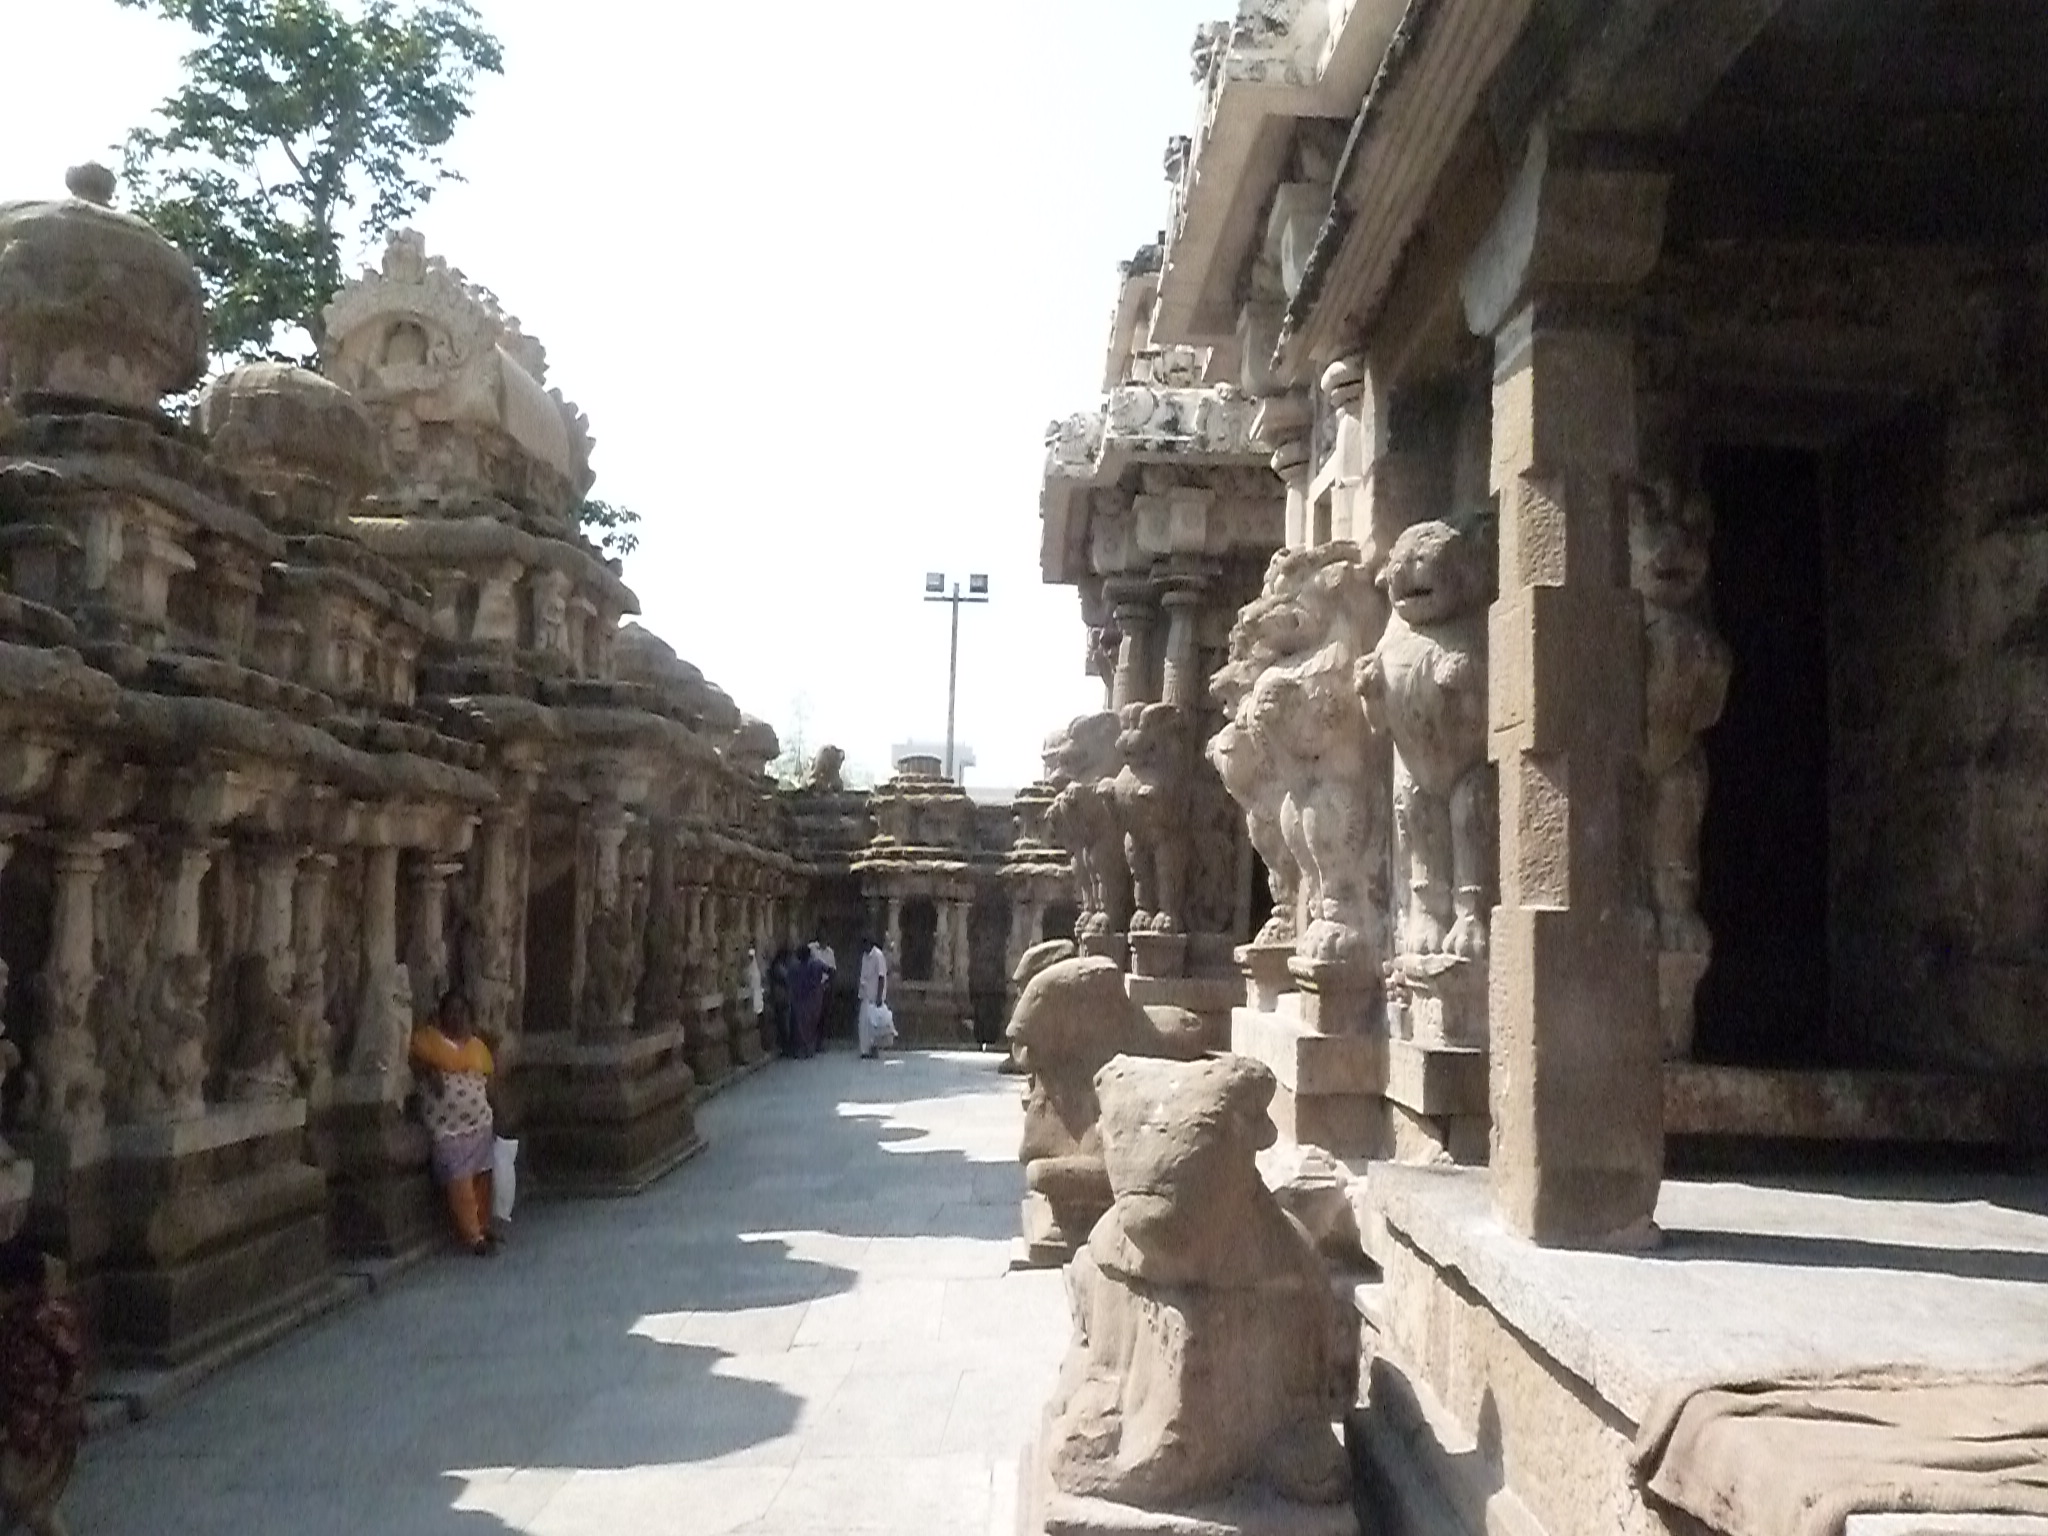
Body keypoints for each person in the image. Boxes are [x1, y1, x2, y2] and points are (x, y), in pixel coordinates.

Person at [0, 1235, 84, 1536]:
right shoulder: (12, 1322)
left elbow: (72, 1364)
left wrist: (68, 1408)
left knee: (29, 1502)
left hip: (46, 1428)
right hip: (23, 1426)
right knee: (28, 1501)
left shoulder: (45, 1319)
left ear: (19, 1288)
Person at [410, 991, 498, 1257]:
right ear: (441, 1016)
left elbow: (488, 1081)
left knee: (484, 1176)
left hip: (480, 1124)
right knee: (459, 1179)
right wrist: (429, 1071)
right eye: (452, 1011)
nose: (457, 1017)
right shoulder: (430, 1043)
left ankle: (483, 1224)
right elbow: (416, 1062)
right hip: (449, 1129)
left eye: (462, 1012)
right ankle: (473, 1236)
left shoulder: (477, 1047)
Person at [789, 943, 829, 1059]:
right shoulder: (811, 965)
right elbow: (830, 971)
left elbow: (789, 979)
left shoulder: (803, 966)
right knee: (808, 1022)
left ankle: (805, 1048)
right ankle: (807, 1048)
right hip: (810, 996)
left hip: (805, 997)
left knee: (804, 1023)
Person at [857, 936, 892, 1059]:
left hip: (874, 995)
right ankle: (865, 1050)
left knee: (874, 1024)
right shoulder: (864, 956)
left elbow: (881, 976)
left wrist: (879, 996)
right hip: (865, 994)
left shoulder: (878, 956)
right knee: (864, 1024)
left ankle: (873, 1048)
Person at [767, 946, 795, 1057]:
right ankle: (786, 1046)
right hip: (781, 997)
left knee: (784, 1022)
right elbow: (787, 979)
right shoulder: (779, 968)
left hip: (781, 997)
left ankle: (785, 1046)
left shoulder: (779, 966)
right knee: (784, 1023)